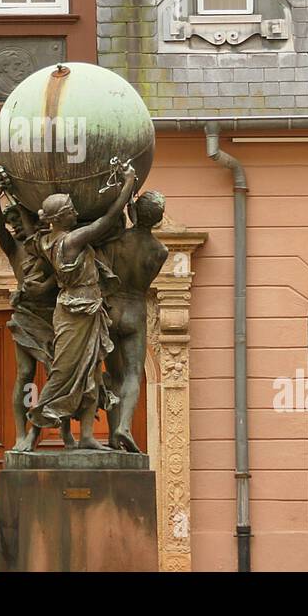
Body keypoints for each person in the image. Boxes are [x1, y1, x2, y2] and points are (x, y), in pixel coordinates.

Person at [28, 163, 137, 450]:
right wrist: (128, 182)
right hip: (78, 309)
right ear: (61, 218)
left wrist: (43, 286)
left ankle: (85, 435)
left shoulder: (45, 240)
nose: (77, 213)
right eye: (72, 211)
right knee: (65, 372)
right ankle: (37, 425)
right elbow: (108, 218)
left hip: (84, 307)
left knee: (90, 371)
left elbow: (57, 274)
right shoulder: (72, 239)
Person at [0, 169, 73, 452]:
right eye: (13, 225)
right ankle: (21, 433)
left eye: (20, 222)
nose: (16, 228)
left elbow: (59, 278)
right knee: (24, 374)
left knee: (55, 375)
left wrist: (45, 286)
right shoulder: (15, 249)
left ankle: (60, 432)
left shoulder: (46, 246)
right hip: (26, 316)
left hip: (53, 317)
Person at [98, 190, 169, 452]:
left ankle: (115, 432)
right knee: (132, 375)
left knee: (114, 375)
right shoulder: (160, 251)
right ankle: (123, 427)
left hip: (111, 307)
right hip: (135, 310)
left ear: (134, 212)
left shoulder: (115, 243)